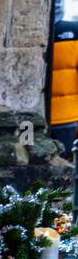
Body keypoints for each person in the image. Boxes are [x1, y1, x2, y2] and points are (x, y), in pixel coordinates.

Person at [50, 18, 78, 159]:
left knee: (29, 156)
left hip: (29, 120)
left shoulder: (25, 35)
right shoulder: (75, 29)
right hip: (68, 120)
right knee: (67, 167)